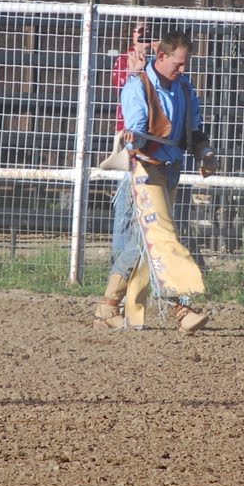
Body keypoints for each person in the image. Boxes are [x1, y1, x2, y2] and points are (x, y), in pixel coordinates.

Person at [97, 29, 219, 332]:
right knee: (163, 237)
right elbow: (136, 129)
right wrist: (133, 138)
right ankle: (182, 309)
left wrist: (204, 150)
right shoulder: (137, 87)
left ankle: (108, 306)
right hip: (147, 170)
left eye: (185, 64)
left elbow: (195, 129)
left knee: (143, 241)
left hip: (170, 169)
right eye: (178, 64)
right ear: (161, 56)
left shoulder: (184, 88)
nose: (183, 70)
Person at [94, 24, 152, 326]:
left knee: (135, 218)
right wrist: (135, 71)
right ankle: (116, 290)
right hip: (129, 140)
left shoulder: (158, 65)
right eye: (140, 34)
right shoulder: (126, 63)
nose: (145, 40)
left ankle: (118, 294)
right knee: (129, 215)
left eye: (149, 35)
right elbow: (123, 88)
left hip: (144, 142)